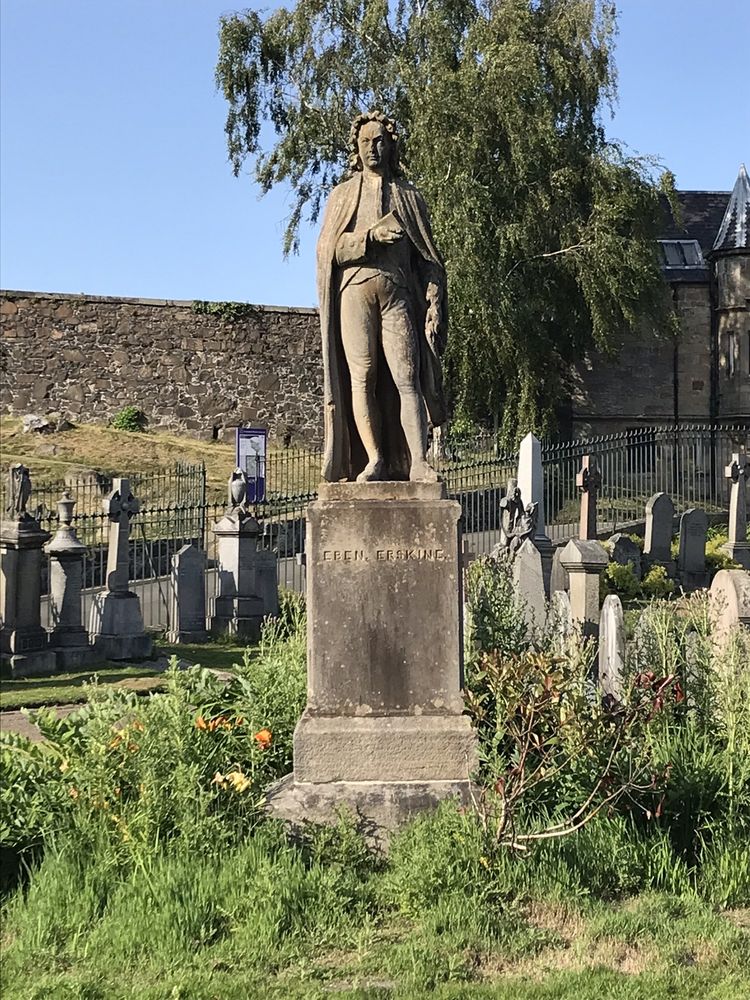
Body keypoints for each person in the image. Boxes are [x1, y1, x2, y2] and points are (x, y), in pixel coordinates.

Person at [317, 110, 448, 482]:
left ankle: (418, 462)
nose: (372, 149)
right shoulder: (342, 196)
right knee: (363, 377)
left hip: (398, 294)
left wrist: (434, 296)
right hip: (354, 291)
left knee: (407, 377)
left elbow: (429, 260)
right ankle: (373, 459)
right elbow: (330, 251)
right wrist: (369, 238)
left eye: (379, 141)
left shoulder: (408, 197)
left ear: (391, 146)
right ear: (355, 149)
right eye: (365, 142)